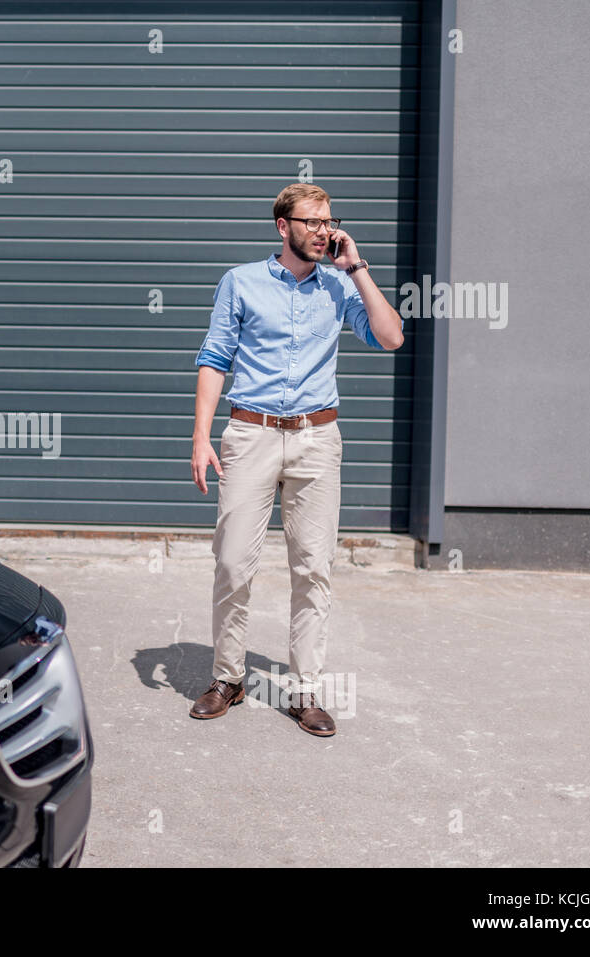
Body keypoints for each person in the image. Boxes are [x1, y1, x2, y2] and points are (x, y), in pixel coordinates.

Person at [188, 183, 404, 736]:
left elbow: (391, 336)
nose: (322, 230)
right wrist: (201, 436)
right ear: (282, 226)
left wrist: (357, 267)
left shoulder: (339, 287)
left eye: (328, 221)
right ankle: (229, 678)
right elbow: (214, 359)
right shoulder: (241, 282)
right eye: (311, 221)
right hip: (250, 434)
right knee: (234, 562)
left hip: (316, 440)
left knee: (313, 568)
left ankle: (305, 690)